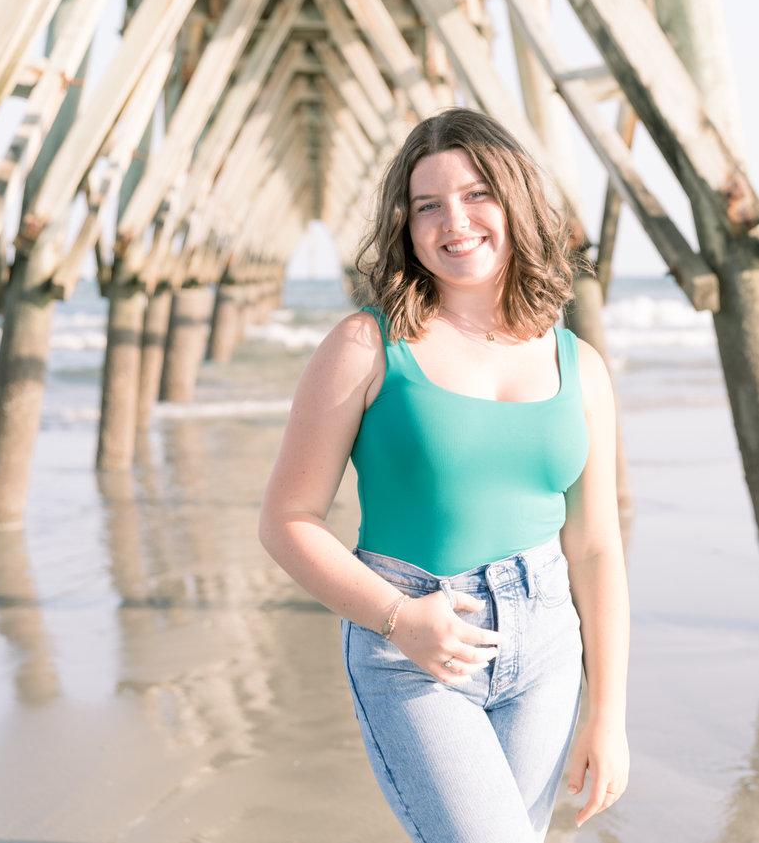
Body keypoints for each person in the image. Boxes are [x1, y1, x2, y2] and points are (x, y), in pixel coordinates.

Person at [258, 108, 629, 842]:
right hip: (414, 645)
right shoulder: (365, 345)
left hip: (547, 641)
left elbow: (594, 549)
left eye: (475, 194)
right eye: (427, 205)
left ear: (516, 201)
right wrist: (399, 619)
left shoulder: (577, 363)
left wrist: (607, 713)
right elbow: (286, 519)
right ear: (406, 223)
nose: (453, 221)